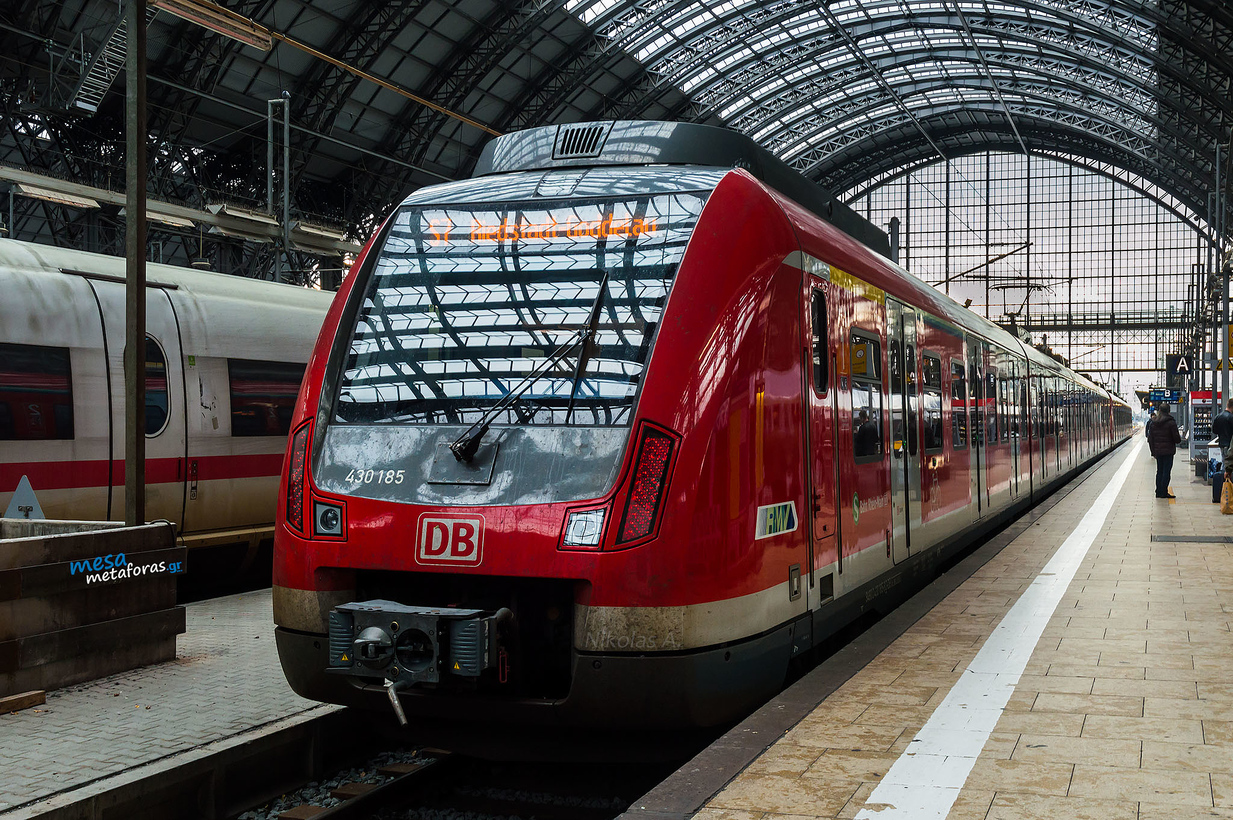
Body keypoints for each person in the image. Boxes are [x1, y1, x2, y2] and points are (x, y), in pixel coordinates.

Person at [1147, 402, 1182, 499]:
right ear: (1169, 411)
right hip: (1168, 452)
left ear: (1159, 411)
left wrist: (1153, 452)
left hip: (1158, 452)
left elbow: (1150, 439)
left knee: (1159, 471)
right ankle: (1163, 492)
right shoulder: (1171, 422)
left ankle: (1158, 492)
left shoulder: (1153, 423)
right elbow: (1177, 439)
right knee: (1166, 472)